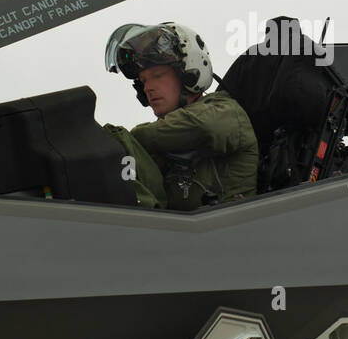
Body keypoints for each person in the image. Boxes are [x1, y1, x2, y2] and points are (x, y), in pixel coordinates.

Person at [102, 22, 258, 211]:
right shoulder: (160, 135)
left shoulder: (226, 112)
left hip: (231, 230)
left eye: (158, 75)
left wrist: (128, 138)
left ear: (188, 73)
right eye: (143, 81)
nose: (148, 87)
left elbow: (203, 127)